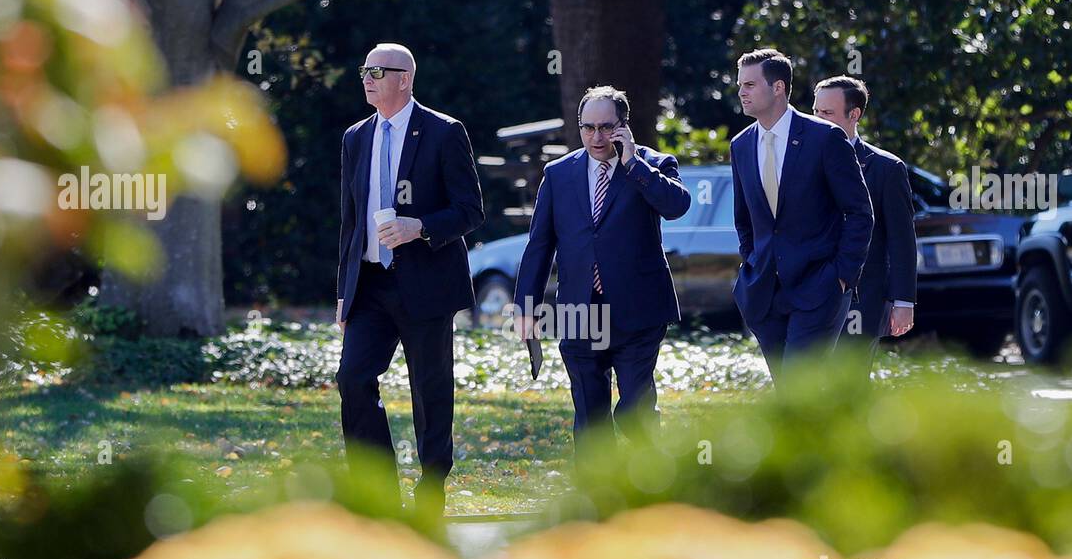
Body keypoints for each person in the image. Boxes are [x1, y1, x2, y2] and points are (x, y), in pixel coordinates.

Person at [334, 43, 484, 516]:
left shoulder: (444, 132)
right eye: (364, 70)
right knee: (353, 379)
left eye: (377, 71)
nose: (367, 78)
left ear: (405, 78)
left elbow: (470, 210)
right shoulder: (356, 137)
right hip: (371, 286)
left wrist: (419, 227)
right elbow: (350, 221)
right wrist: (344, 291)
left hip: (426, 283)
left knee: (431, 389)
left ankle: (431, 488)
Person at [513, 85, 690, 461]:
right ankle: (597, 499)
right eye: (588, 127)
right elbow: (540, 244)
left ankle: (650, 488)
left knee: (636, 407)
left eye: (606, 127)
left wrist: (633, 164)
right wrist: (526, 306)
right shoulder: (559, 173)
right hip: (581, 309)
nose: (596, 137)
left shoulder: (653, 165)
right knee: (589, 414)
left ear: (623, 127)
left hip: (638, 310)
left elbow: (676, 206)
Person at [730, 49, 873, 377]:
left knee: (801, 388)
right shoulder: (740, 145)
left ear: (778, 87)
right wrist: (751, 265)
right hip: (764, 293)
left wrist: (841, 275)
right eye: (740, 85)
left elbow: (859, 212)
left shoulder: (825, 137)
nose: (741, 92)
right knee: (787, 397)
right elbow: (744, 220)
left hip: (819, 287)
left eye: (750, 84)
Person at [812, 75, 917, 361]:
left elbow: (901, 239)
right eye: (816, 112)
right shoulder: (799, 159)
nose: (819, 119)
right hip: (809, 294)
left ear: (854, 114)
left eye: (828, 113)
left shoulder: (886, 168)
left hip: (862, 297)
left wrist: (903, 301)